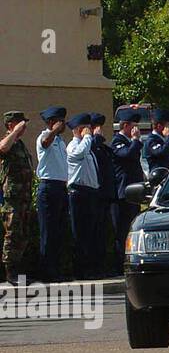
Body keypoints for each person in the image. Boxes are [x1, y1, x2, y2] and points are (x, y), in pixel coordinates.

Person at [0, 111, 36, 283]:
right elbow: (2, 148)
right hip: (12, 198)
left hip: (24, 197)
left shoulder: (20, 144)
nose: (24, 126)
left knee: (23, 234)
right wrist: (14, 132)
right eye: (20, 123)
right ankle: (10, 273)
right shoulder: (9, 141)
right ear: (10, 124)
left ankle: (19, 272)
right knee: (12, 234)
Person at [109, 111, 146, 276]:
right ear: (125, 126)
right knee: (122, 231)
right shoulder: (117, 141)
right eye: (133, 125)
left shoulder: (130, 142)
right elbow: (127, 155)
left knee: (131, 229)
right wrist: (136, 140)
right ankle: (118, 265)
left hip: (133, 193)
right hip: (123, 193)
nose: (135, 128)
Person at [35, 105, 69, 281]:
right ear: (51, 122)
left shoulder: (60, 141)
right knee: (48, 232)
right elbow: (45, 143)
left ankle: (56, 269)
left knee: (59, 231)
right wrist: (53, 130)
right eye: (60, 121)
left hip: (61, 188)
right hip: (48, 188)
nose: (63, 124)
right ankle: (47, 272)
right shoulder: (44, 137)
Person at [65, 113, 100, 280]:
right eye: (86, 128)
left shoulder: (88, 148)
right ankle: (81, 270)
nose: (90, 132)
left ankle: (92, 267)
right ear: (79, 129)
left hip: (90, 193)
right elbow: (79, 153)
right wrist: (87, 137)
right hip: (78, 194)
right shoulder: (73, 146)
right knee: (80, 233)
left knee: (91, 233)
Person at [89, 113, 114, 277]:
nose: (99, 131)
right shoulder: (88, 146)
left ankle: (103, 266)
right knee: (93, 233)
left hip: (105, 196)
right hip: (94, 196)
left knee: (103, 234)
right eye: (95, 128)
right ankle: (94, 268)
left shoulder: (102, 147)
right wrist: (95, 138)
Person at [144, 110, 169, 174]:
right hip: (158, 177)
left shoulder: (166, 140)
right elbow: (162, 152)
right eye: (168, 126)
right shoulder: (152, 140)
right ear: (159, 126)